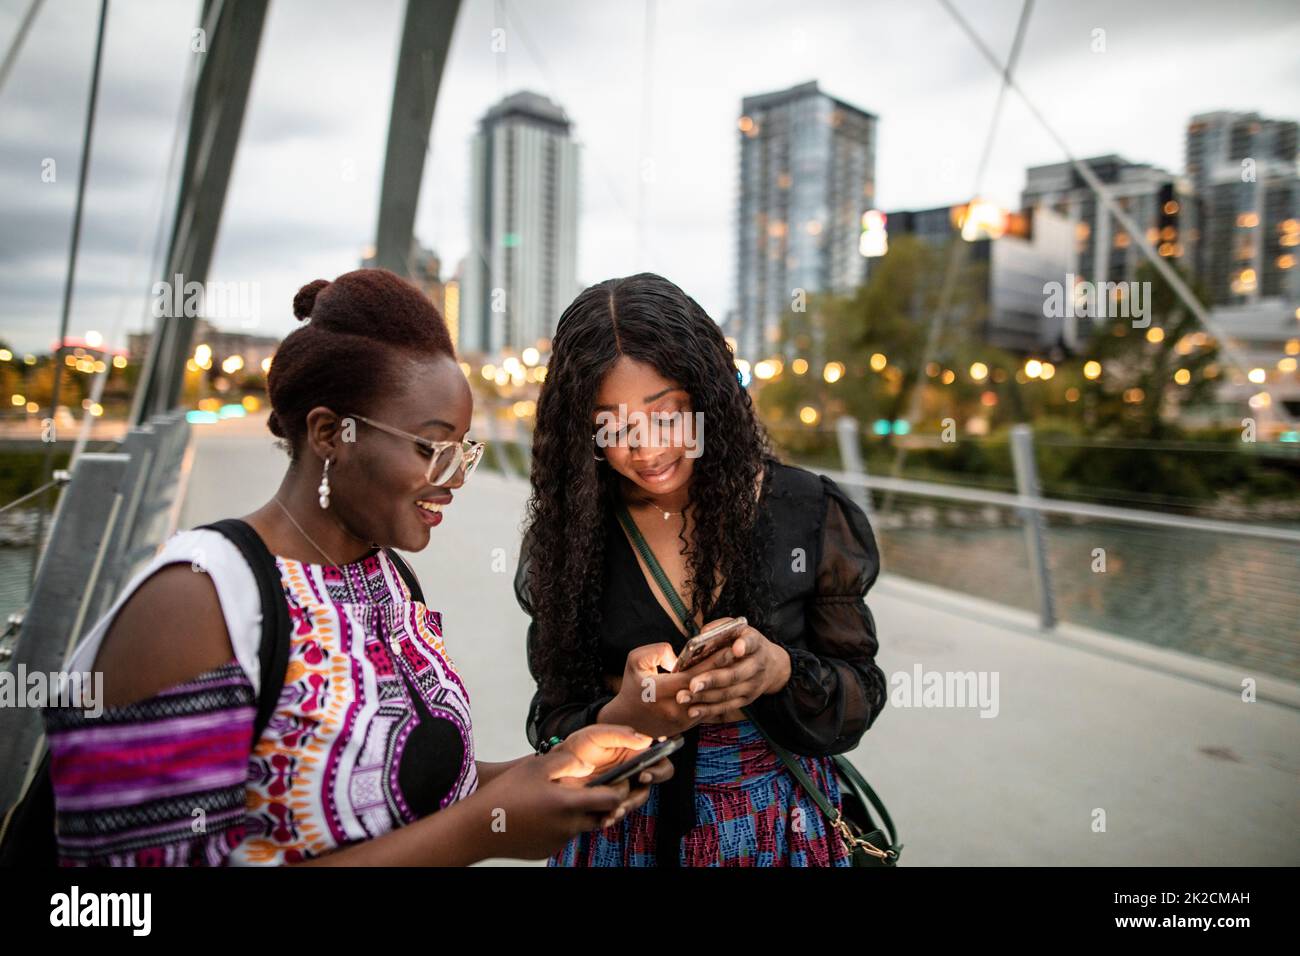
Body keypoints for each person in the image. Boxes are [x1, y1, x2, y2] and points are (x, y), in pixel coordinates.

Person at [42, 268, 671, 866]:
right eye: (432, 448)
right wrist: (480, 834)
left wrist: (557, 766)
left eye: (464, 453)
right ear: (327, 434)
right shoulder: (198, 604)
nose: (454, 481)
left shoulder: (387, 581)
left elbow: (418, 791)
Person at [515, 272, 889, 867]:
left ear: (707, 395)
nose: (646, 448)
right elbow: (554, 721)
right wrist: (624, 714)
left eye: (666, 415)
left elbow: (860, 695)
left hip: (776, 831)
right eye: (613, 424)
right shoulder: (573, 536)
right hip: (621, 834)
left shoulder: (809, 511)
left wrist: (778, 671)